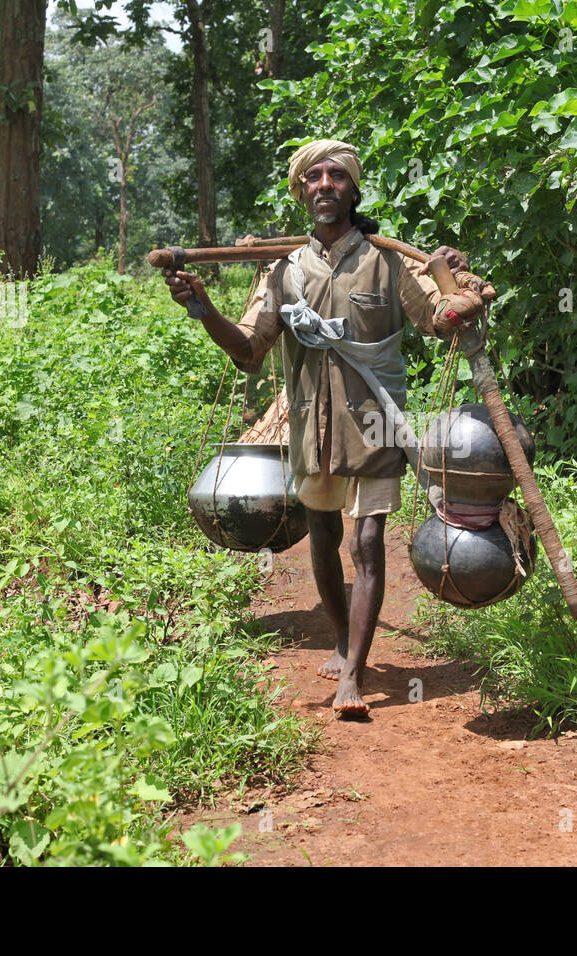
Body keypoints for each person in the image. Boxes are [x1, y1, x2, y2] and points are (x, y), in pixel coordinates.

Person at [164, 139, 485, 718]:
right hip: (311, 427)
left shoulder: (389, 261)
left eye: (337, 176)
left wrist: (457, 286)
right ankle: (341, 640)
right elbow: (248, 351)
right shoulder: (283, 271)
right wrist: (201, 306)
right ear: (302, 191)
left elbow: (439, 322)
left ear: (353, 190)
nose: (325, 185)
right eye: (314, 177)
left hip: (375, 425)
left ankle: (353, 675)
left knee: (366, 544)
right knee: (325, 540)